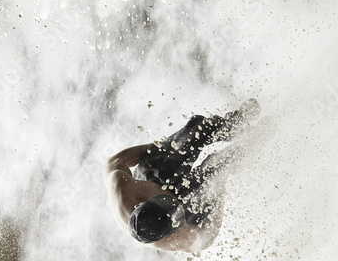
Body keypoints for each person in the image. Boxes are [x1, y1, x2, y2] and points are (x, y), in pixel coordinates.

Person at [104, 100, 259, 252]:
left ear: (140, 203)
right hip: (189, 206)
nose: (174, 201)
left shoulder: (122, 187)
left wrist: (159, 148)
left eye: (165, 200)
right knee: (217, 166)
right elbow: (207, 238)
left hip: (156, 176)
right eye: (174, 210)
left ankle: (235, 123)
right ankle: (257, 138)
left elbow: (115, 161)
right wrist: (219, 191)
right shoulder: (171, 240)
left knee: (196, 132)